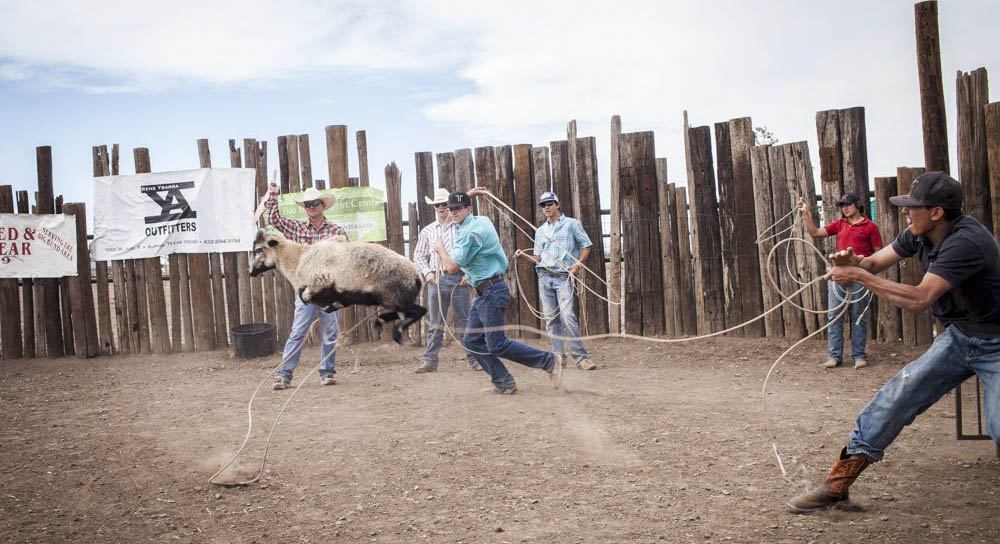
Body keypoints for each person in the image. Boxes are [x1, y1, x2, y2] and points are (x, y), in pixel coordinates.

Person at [787, 172, 1000, 513]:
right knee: (895, 397)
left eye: (912, 207)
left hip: (996, 342)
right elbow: (875, 261)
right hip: (960, 337)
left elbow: (919, 298)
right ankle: (837, 486)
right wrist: (853, 262)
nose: (904, 212)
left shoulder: (965, 242)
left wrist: (857, 276)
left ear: (937, 213)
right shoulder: (920, 234)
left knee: (998, 424)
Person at [434, 189, 563, 394]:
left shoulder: (469, 232)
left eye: (457, 209)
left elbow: (450, 267)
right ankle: (504, 382)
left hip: (490, 292)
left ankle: (548, 361)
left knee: (497, 344)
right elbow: (465, 219)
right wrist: (471, 193)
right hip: (486, 289)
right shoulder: (481, 220)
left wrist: (440, 248)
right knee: (471, 340)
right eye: (451, 209)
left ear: (468, 209)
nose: (453, 212)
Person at [265, 184, 350, 390]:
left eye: (314, 203)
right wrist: (273, 194)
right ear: (305, 208)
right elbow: (274, 219)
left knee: (329, 333)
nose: (311, 207)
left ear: (322, 205)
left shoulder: (337, 231)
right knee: (299, 331)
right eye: (308, 204)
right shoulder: (297, 228)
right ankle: (284, 374)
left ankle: (327, 372)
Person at [513, 191, 597, 370]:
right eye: (543, 205)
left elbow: (586, 245)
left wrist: (577, 265)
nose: (547, 208)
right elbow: (537, 258)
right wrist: (522, 256)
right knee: (551, 319)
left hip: (563, 277)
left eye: (550, 203)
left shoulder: (572, 224)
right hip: (544, 276)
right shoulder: (540, 231)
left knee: (567, 317)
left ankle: (581, 358)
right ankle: (558, 358)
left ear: (557, 205)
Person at [799, 192, 883, 369]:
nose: (844, 208)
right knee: (834, 316)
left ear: (857, 205)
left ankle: (859, 356)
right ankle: (834, 356)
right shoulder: (840, 224)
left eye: (848, 204)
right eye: (842, 205)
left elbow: (879, 254)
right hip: (838, 276)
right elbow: (814, 233)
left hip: (860, 276)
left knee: (858, 316)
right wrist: (805, 213)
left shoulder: (870, 227)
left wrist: (867, 270)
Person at [412, 188, 479, 373]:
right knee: (435, 321)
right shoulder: (427, 231)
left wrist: (468, 274)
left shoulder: (461, 228)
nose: (441, 208)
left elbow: (471, 254)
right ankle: (430, 360)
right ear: (433, 207)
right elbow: (418, 255)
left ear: (449, 207)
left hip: (458, 279)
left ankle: (474, 359)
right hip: (436, 278)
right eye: (438, 205)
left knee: (464, 320)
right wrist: (427, 273)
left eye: (444, 205)